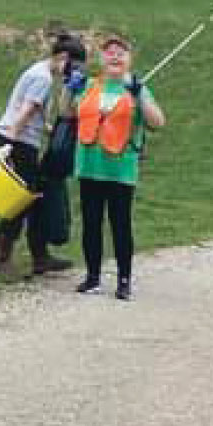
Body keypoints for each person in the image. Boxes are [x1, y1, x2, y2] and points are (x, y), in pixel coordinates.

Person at [72, 33, 167, 301]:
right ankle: (92, 277)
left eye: (120, 52)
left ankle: (124, 280)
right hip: (90, 166)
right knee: (91, 223)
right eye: (109, 52)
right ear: (101, 59)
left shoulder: (138, 87)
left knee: (120, 224)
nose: (114, 56)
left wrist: (140, 97)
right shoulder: (89, 86)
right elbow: (66, 113)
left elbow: (157, 123)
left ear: (129, 60)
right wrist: (70, 88)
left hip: (121, 169)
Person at [0, 33, 85, 278]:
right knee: (19, 200)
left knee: (35, 198)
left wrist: (46, 127)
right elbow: (26, 109)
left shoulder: (39, 71)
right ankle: (2, 258)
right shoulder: (42, 78)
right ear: (63, 58)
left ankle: (40, 256)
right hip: (19, 142)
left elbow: (35, 108)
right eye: (73, 66)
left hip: (23, 140)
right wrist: (11, 141)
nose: (73, 72)